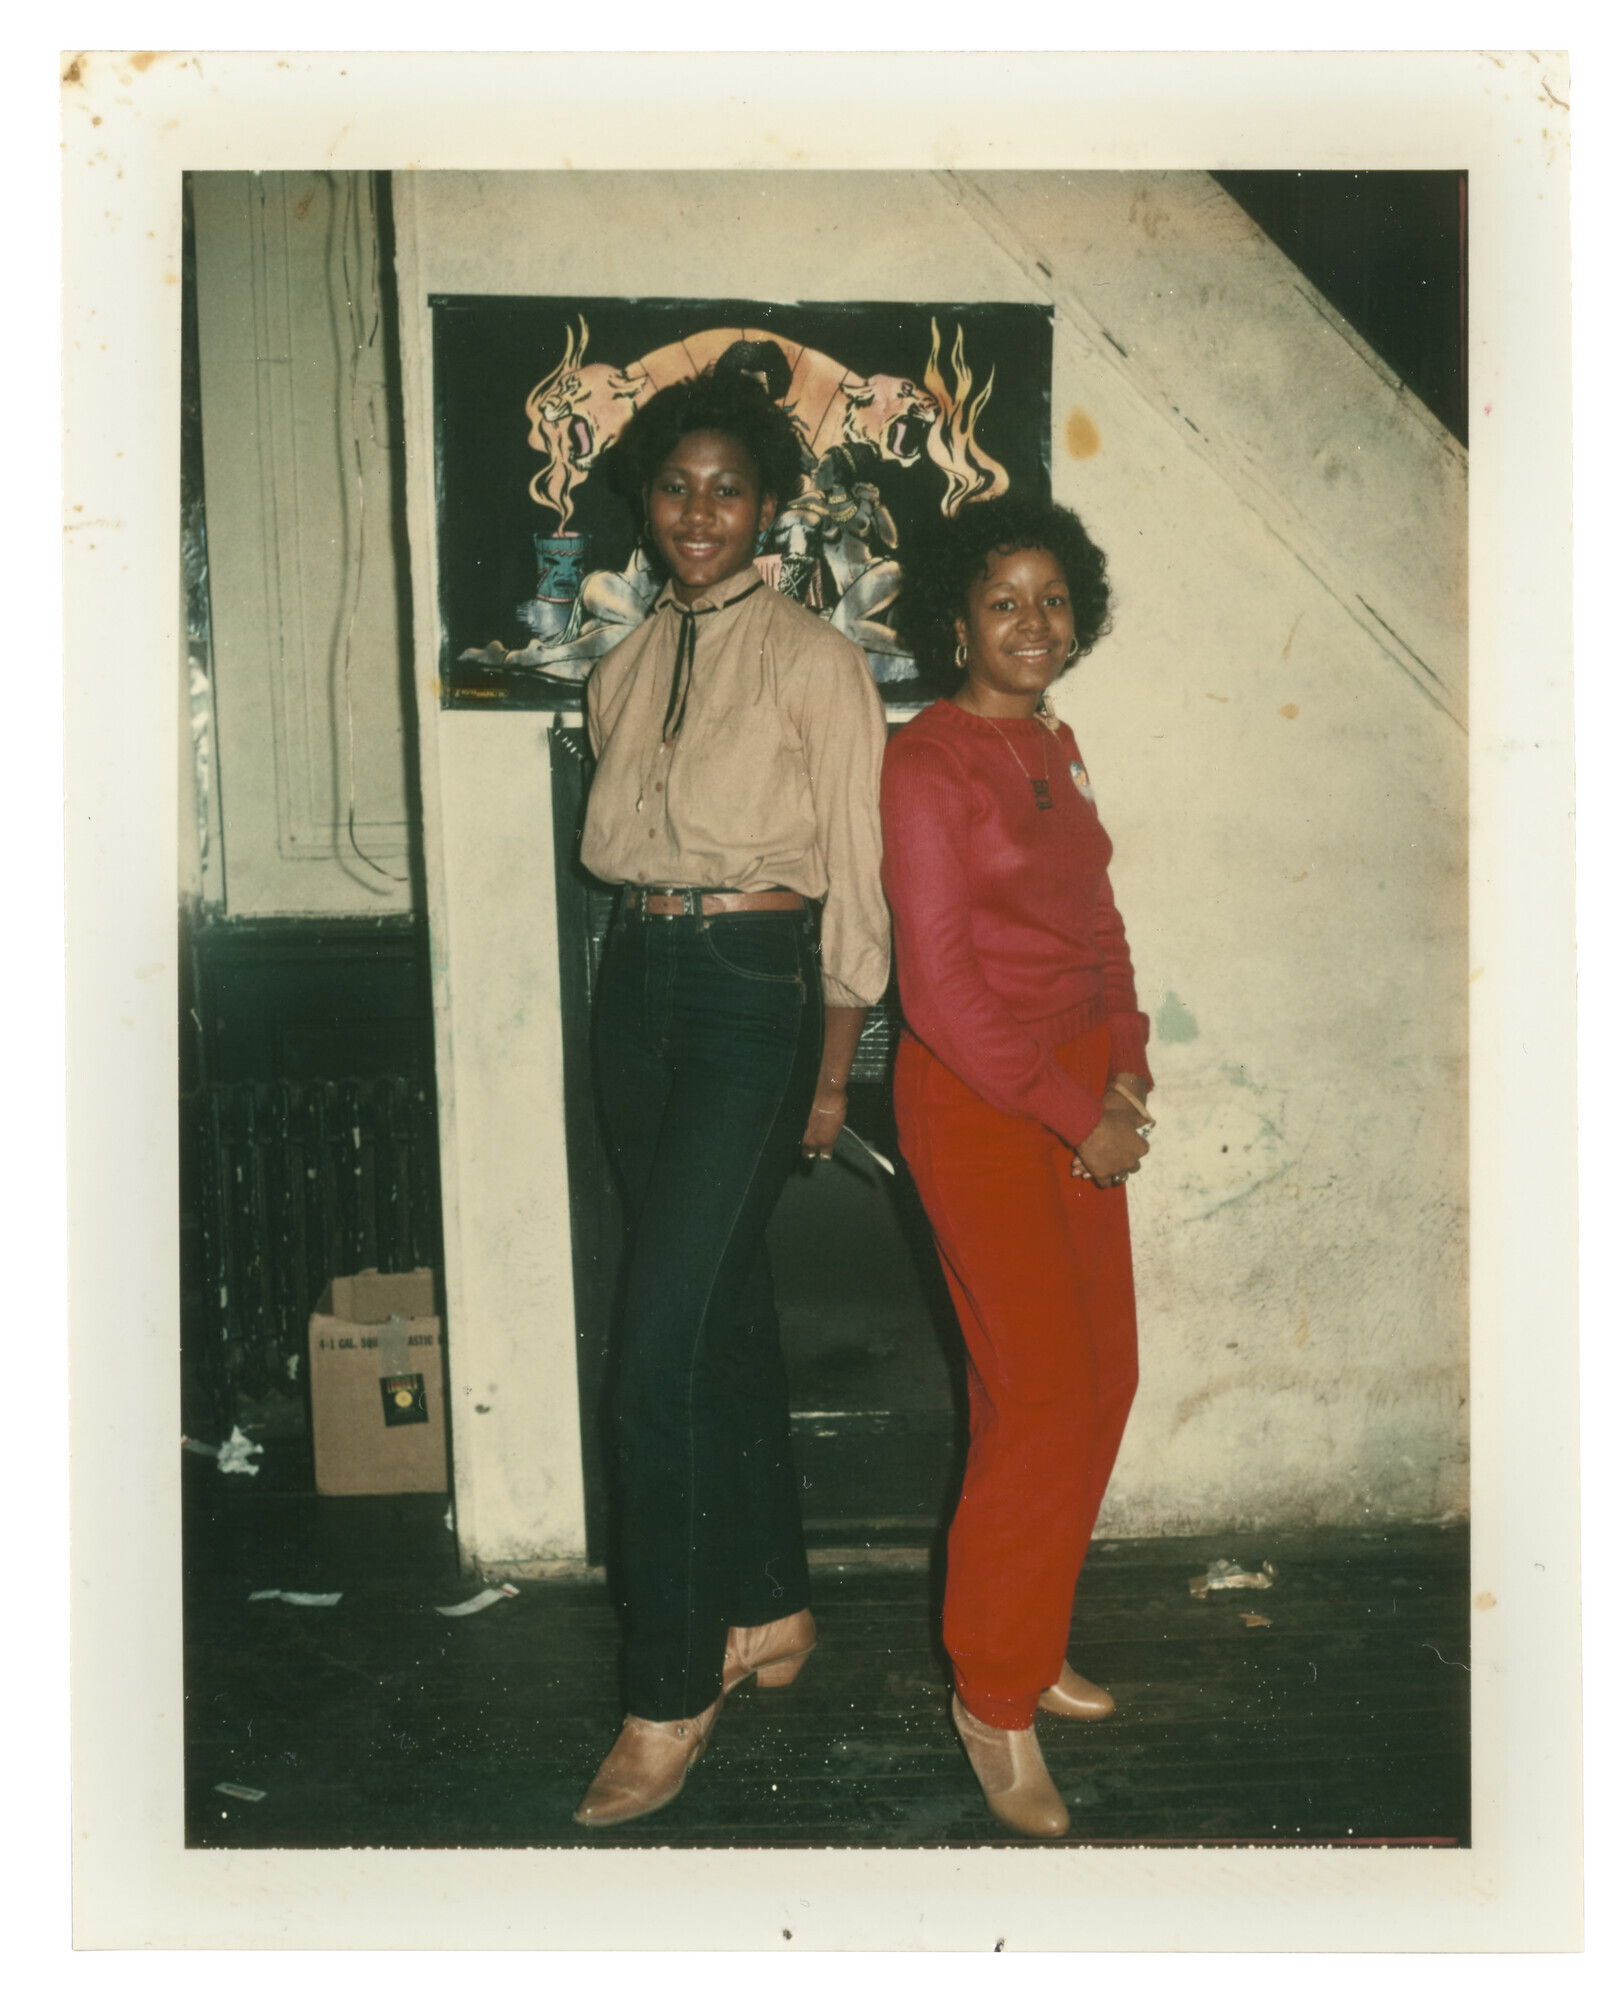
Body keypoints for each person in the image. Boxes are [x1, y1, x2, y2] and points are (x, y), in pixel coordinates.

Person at [571, 367, 889, 1826]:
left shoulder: (819, 660)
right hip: (632, 990)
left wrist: (833, 1060)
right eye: (678, 487)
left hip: (759, 991)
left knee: (651, 1358)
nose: (701, 512)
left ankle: (667, 1681)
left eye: (730, 489)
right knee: (719, 1315)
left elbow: (857, 877)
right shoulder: (623, 665)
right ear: (651, 502)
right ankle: (768, 1605)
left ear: (768, 506)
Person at [882, 494, 1151, 1835]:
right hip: (984, 1102)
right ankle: (991, 1697)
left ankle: (1028, 1634)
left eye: (1053, 597)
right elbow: (939, 991)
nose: (1032, 621)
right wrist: (1071, 1106)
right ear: (956, 616)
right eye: (1005, 599)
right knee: (1040, 1390)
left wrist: (1130, 1063)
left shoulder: (1056, 738)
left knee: (1101, 1377)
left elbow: (1098, 915)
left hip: (1075, 1088)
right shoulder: (928, 762)